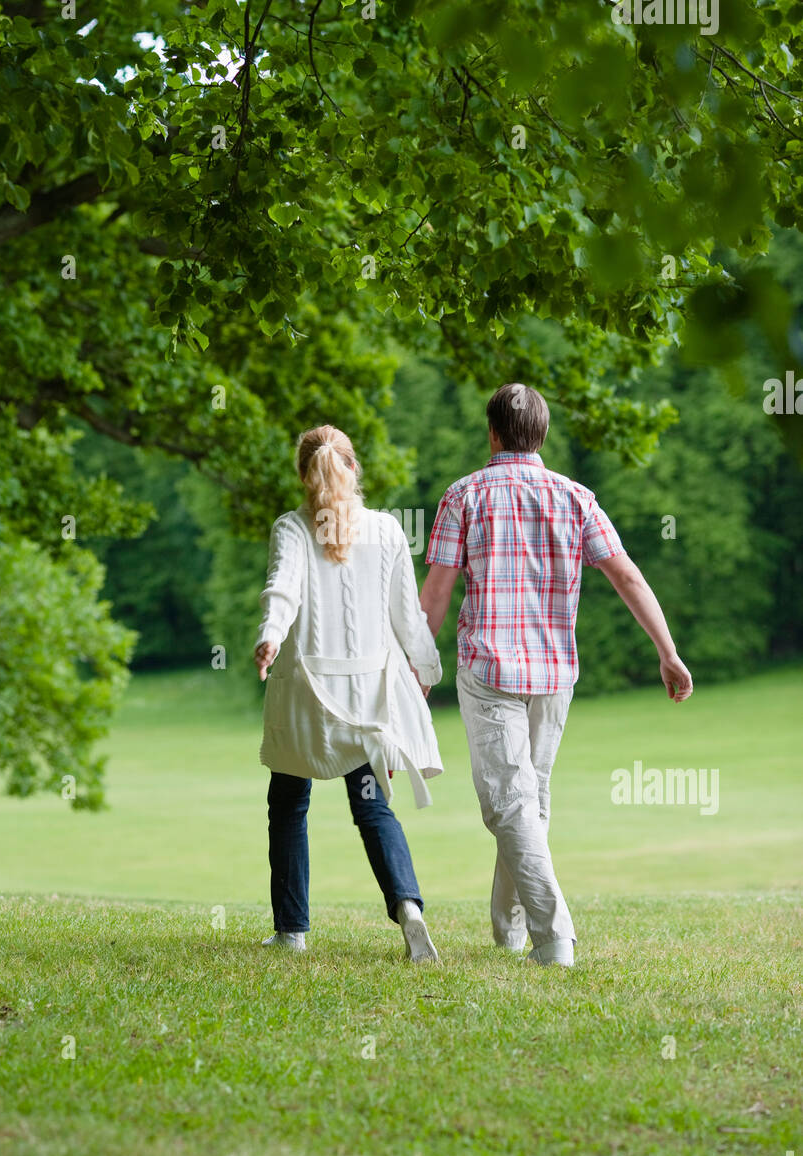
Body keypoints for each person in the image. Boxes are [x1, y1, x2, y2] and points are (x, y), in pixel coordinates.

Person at [420, 383, 693, 968]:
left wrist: (419, 671)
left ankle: (553, 937)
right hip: (553, 670)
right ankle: (508, 928)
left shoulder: (463, 496)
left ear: (492, 433)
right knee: (527, 798)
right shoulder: (575, 497)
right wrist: (667, 652)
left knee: (512, 803)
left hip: (488, 667)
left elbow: (436, 595)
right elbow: (628, 577)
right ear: (540, 434)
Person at [254, 424, 443, 962]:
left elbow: (282, 589)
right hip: (365, 699)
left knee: (288, 804)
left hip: (306, 698)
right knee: (373, 806)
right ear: (353, 468)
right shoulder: (386, 531)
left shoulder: (291, 528)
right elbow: (408, 616)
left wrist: (269, 636)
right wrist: (425, 665)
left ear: (302, 475)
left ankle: (292, 931)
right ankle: (408, 907)